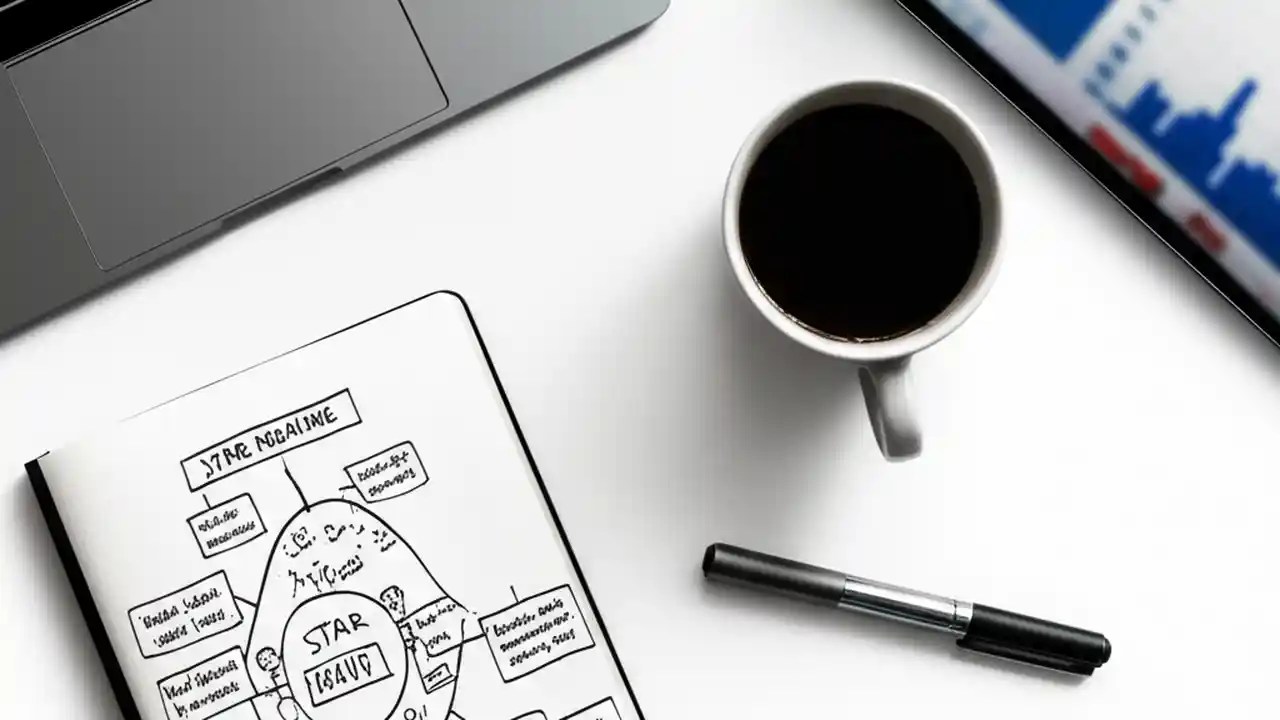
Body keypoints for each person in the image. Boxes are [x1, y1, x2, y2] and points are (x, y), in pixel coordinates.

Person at [254, 646, 302, 720]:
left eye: (268, 658)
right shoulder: (271, 676)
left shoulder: (286, 665)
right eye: (264, 662)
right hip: (286, 697)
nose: (267, 661)